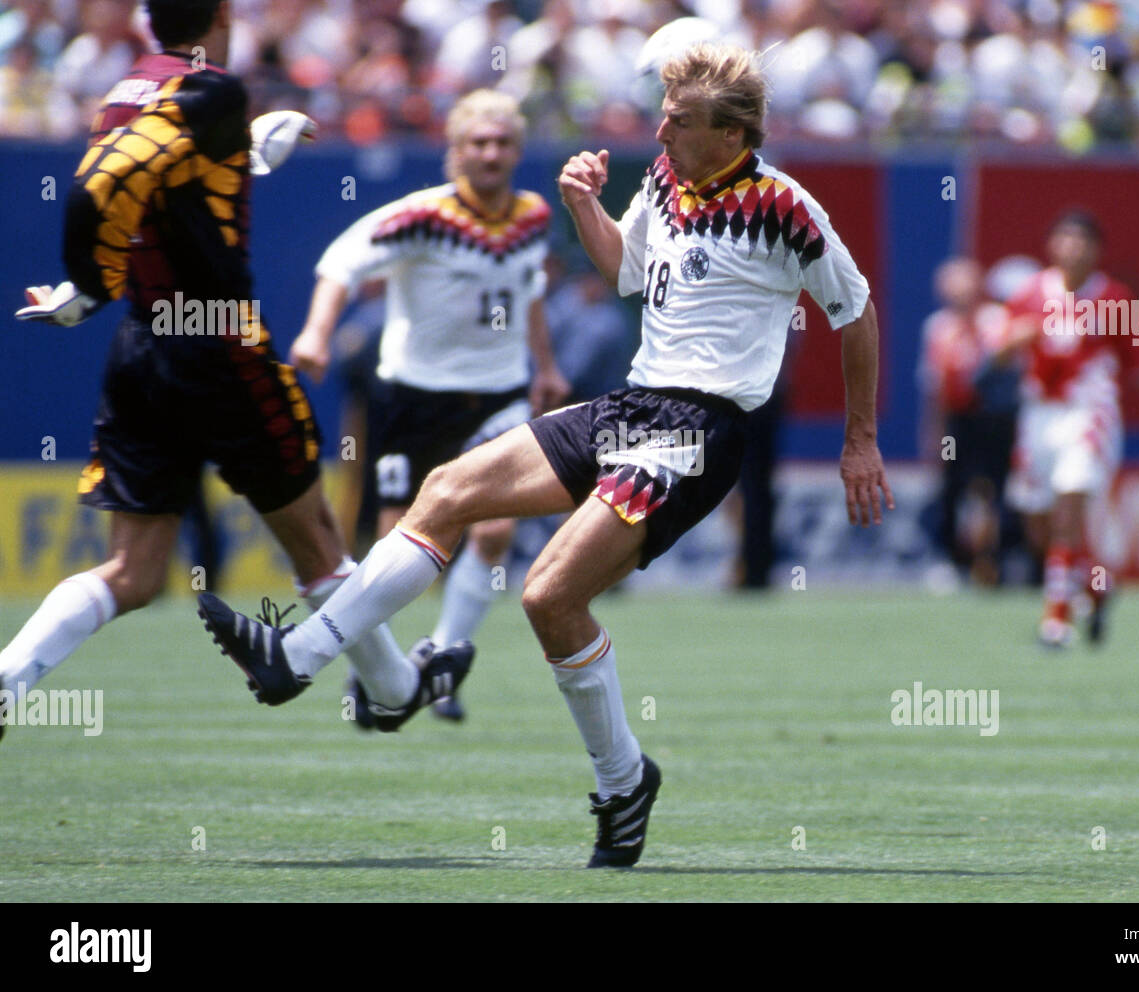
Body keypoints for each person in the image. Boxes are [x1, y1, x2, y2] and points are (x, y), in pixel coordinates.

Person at [197, 42, 892, 867]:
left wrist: (860, 443)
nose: (659, 125)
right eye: (663, 111)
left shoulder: (784, 207)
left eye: (679, 118)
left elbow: (857, 313)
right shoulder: (667, 179)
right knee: (449, 489)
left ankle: (621, 782)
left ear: (733, 131)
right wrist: (585, 207)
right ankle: (300, 657)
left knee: (548, 597)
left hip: (696, 431)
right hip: (636, 404)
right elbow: (627, 269)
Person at [0, 0, 465, 744]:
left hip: (145, 342)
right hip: (217, 342)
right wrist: (86, 278)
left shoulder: (124, 92)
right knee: (315, 537)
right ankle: (394, 687)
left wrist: (243, 150)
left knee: (133, 572)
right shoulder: (209, 86)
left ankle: (7, 680)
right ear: (221, 14)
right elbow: (104, 184)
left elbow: (158, 173)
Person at [288, 89, 569, 724]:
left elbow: (526, 292)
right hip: (413, 398)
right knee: (397, 545)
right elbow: (342, 263)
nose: (491, 153)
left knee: (494, 528)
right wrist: (316, 332)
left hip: (497, 396)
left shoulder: (531, 216)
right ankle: (378, 676)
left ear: (517, 152)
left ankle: (442, 661)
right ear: (455, 152)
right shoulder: (418, 216)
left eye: (502, 143)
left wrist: (545, 366)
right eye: (478, 142)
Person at [997, 211, 1139, 647]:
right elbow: (995, 355)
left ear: (1096, 250)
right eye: (1065, 238)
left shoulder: (1115, 299)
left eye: (1082, 240)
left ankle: (1056, 622)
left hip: (1089, 413)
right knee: (1038, 528)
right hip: (1038, 416)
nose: (1073, 248)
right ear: (1051, 246)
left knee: (1069, 509)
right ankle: (1097, 586)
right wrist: (1014, 340)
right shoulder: (1029, 293)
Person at [917, 257, 1018, 584]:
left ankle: (991, 563)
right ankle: (950, 560)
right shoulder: (938, 328)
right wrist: (933, 433)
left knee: (991, 489)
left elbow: (1011, 375)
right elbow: (933, 387)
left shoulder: (997, 321)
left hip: (993, 421)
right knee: (952, 487)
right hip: (955, 424)